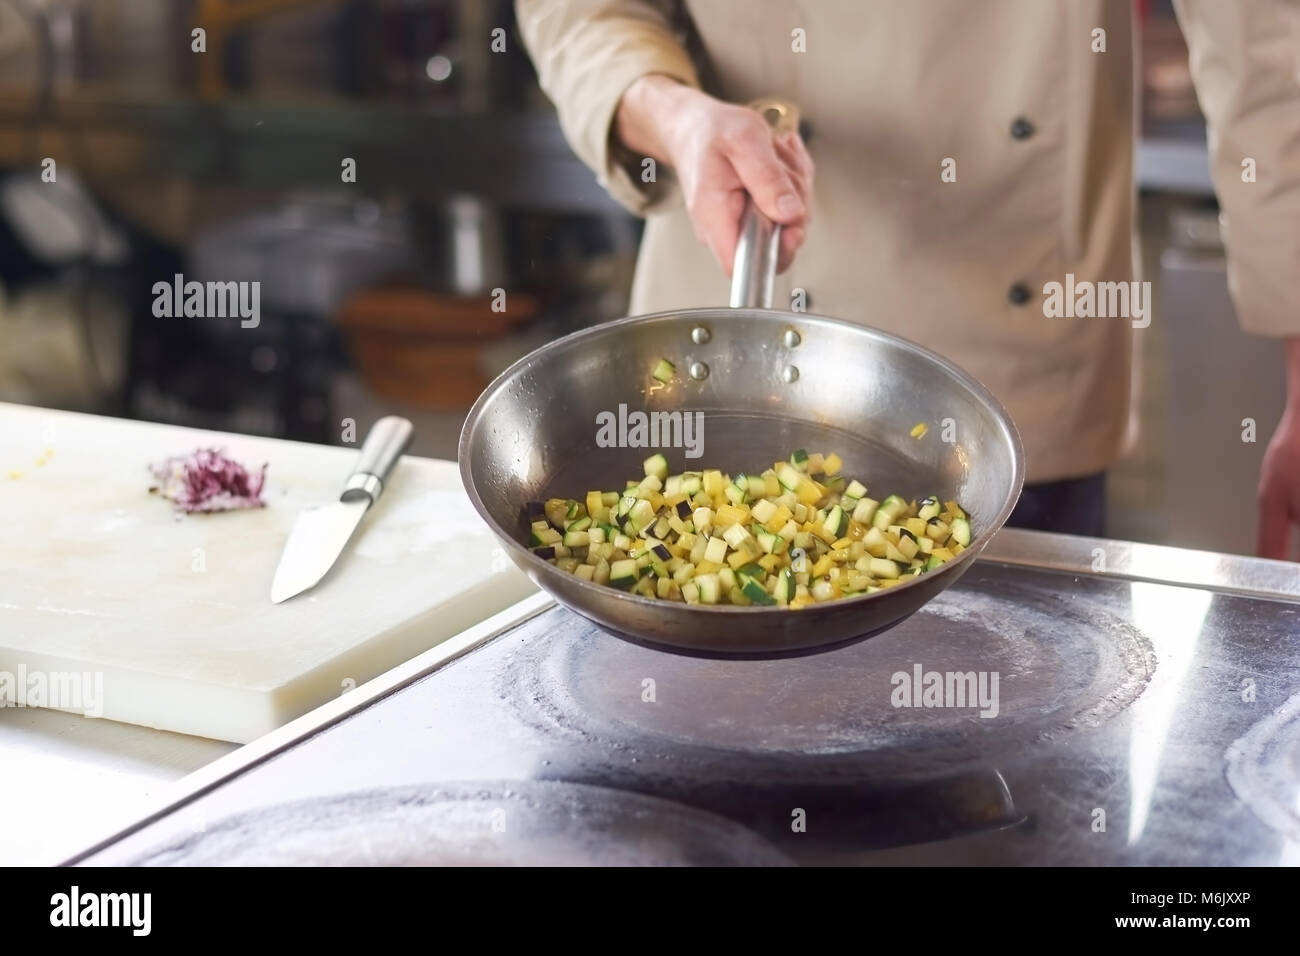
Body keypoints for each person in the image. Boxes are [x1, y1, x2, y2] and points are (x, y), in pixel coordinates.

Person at [516, 0, 1300, 556]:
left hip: (1012, 383)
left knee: (1009, 759)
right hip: (720, 360)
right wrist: (674, 117)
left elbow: (1269, 60)